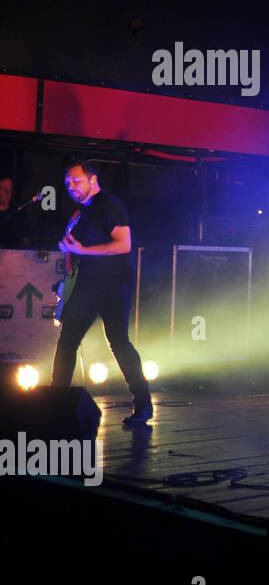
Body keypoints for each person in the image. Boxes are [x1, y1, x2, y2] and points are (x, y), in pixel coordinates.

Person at [51, 161, 154, 425]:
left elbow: (123, 245)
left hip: (113, 284)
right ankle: (54, 406)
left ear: (93, 179)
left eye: (76, 180)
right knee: (67, 341)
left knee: (118, 342)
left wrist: (83, 250)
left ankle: (143, 405)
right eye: (68, 183)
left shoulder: (110, 205)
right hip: (88, 283)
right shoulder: (81, 212)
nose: (71, 187)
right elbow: (81, 249)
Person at [0, 175, 36, 248]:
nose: (8, 193)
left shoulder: (19, 213)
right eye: (5, 189)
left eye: (10, 190)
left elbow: (26, 242)